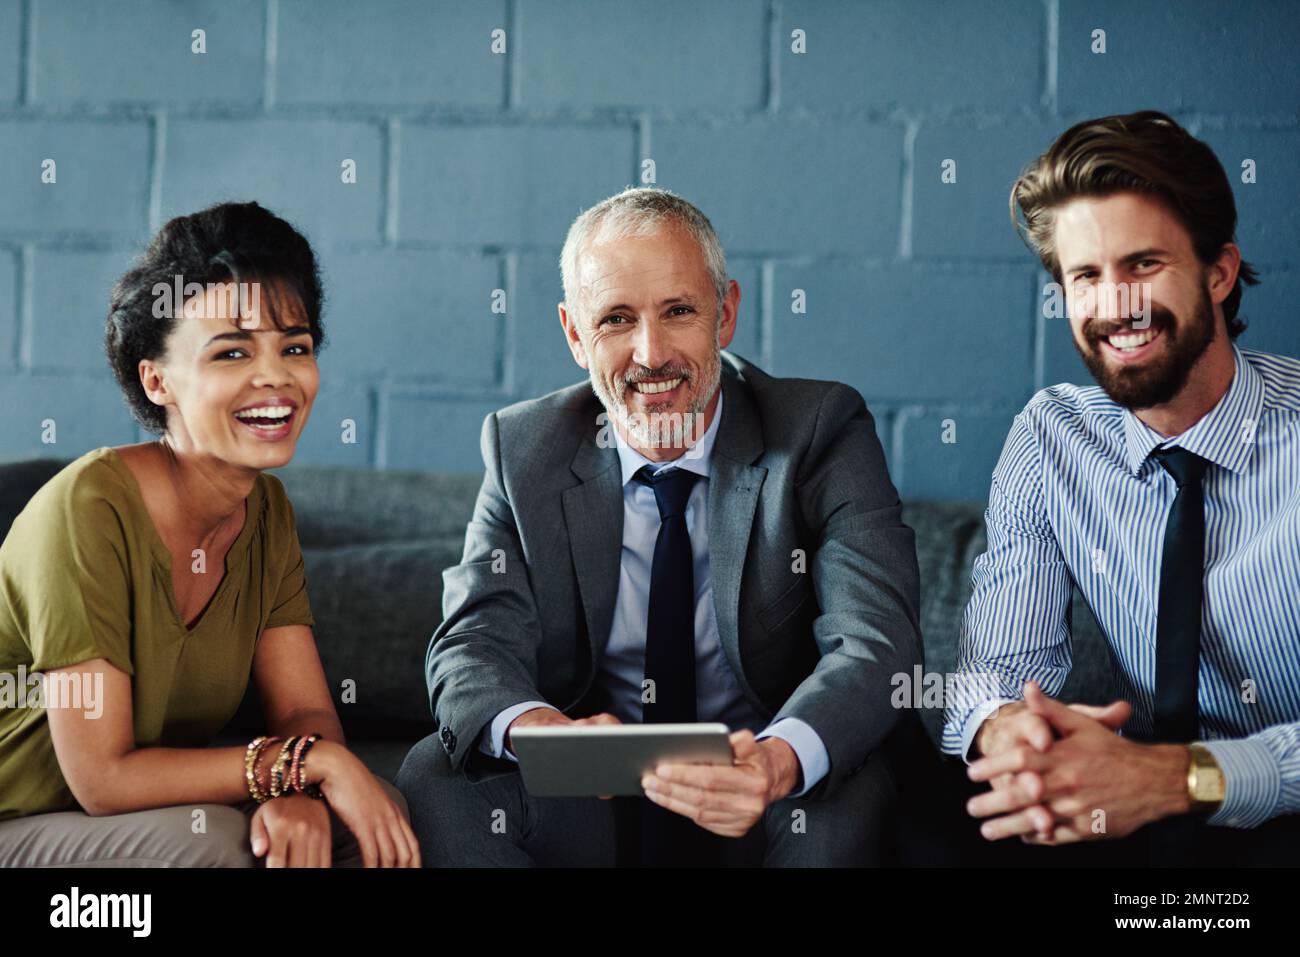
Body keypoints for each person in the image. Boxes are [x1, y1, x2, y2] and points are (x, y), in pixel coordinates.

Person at [397, 187, 923, 866]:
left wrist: (776, 762)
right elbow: (472, 639)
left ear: (725, 313)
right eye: (616, 318)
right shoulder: (524, 447)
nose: (651, 353)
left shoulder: (821, 430)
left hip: (763, 786)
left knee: (840, 794)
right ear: (575, 335)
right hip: (598, 796)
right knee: (437, 773)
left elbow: (876, 642)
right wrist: (542, 732)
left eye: (678, 311)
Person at [0, 201, 418, 867]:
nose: (276, 376)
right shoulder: (88, 508)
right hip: (23, 817)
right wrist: (303, 768)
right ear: (157, 379)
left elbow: (307, 714)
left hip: (123, 817)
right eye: (232, 351)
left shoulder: (266, 511)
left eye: (295, 346)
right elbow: (101, 777)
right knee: (212, 846)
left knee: (377, 813)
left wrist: (301, 789)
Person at [942, 111, 1300, 866]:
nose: (1115, 307)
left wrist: (1174, 777)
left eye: (1143, 264)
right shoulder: (1052, 438)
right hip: (1125, 826)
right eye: (1086, 276)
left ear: (1219, 271)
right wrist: (1016, 731)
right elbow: (992, 675)